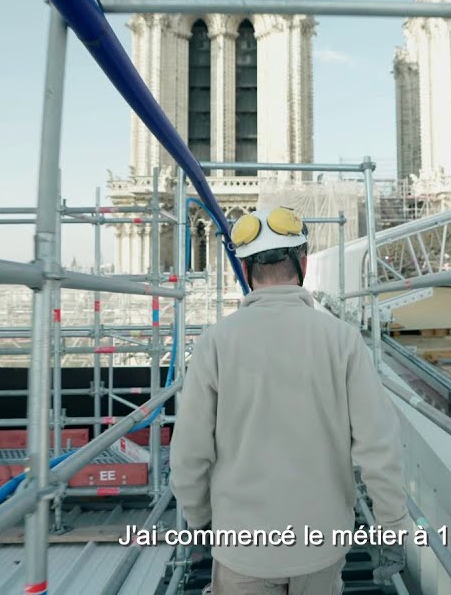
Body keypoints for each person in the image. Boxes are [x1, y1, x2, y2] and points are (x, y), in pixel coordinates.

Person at [170, 205, 412, 594]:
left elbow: (189, 452)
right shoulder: (342, 340)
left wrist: (200, 520)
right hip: (321, 543)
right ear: (303, 261)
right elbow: (378, 446)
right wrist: (392, 527)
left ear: (246, 271)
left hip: (243, 546)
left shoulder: (216, 343)